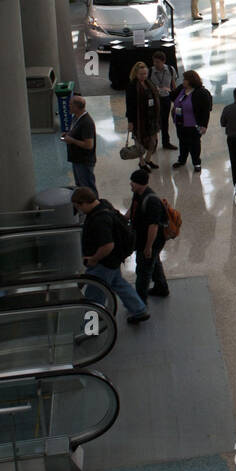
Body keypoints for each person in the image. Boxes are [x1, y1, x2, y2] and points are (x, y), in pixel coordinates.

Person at [71, 186, 149, 323]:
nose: (79, 211)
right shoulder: (103, 204)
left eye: (78, 207)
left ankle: (91, 329)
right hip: (114, 260)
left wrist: (94, 259)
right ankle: (139, 310)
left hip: (103, 263)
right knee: (119, 284)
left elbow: (108, 246)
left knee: (94, 295)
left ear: (84, 202)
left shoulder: (99, 220)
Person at [127, 168, 169, 302]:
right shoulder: (138, 193)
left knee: (143, 270)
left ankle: (140, 302)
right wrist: (124, 218)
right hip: (142, 237)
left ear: (140, 183)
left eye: (133, 182)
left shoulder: (151, 201)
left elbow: (153, 226)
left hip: (151, 240)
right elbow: (132, 208)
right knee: (154, 262)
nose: (130, 184)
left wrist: (148, 247)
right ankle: (161, 288)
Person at [172, 69, 212, 169]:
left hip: (194, 124)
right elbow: (172, 97)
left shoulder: (201, 93)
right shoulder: (181, 88)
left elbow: (205, 111)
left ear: (191, 80)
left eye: (185, 79)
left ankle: (196, 162)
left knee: (194, 144)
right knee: (182, 142)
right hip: (180, 122)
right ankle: (182, 160)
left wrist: (204, 125)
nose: (183, 81)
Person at [125, 62, 161, 171]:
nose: (143, 76)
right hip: (139, 119)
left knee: (153, 141)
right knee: (139, 142)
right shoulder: (132, 86)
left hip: (151, 117)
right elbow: (130, 105)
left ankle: (148, 159)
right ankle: (142, 162)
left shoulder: (149, 83)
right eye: (141, 74)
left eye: (145, 74)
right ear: (136, 74)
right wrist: (130, 121)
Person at [62, 94, 97, 192]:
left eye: (70, 105)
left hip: (84, 161)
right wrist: (69, 134)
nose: (68, 106)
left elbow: (89, 145)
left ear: (77, 107)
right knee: (80, 185)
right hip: (77, 159)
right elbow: (76, 131)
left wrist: (71, 140)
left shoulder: (86, 122)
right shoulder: (76, 117)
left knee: (87, 187)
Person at [149, 51, 177, 151]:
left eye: (157, 62)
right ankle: (154, 144)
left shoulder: (170, 69)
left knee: (165, 121)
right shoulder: (150, 71)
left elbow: (173, 84)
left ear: (163, 61)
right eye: (154, 62)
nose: (155, 64)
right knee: (155, 121)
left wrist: (176, 98)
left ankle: (166, 142)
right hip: (155, 100)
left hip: (166, 98)